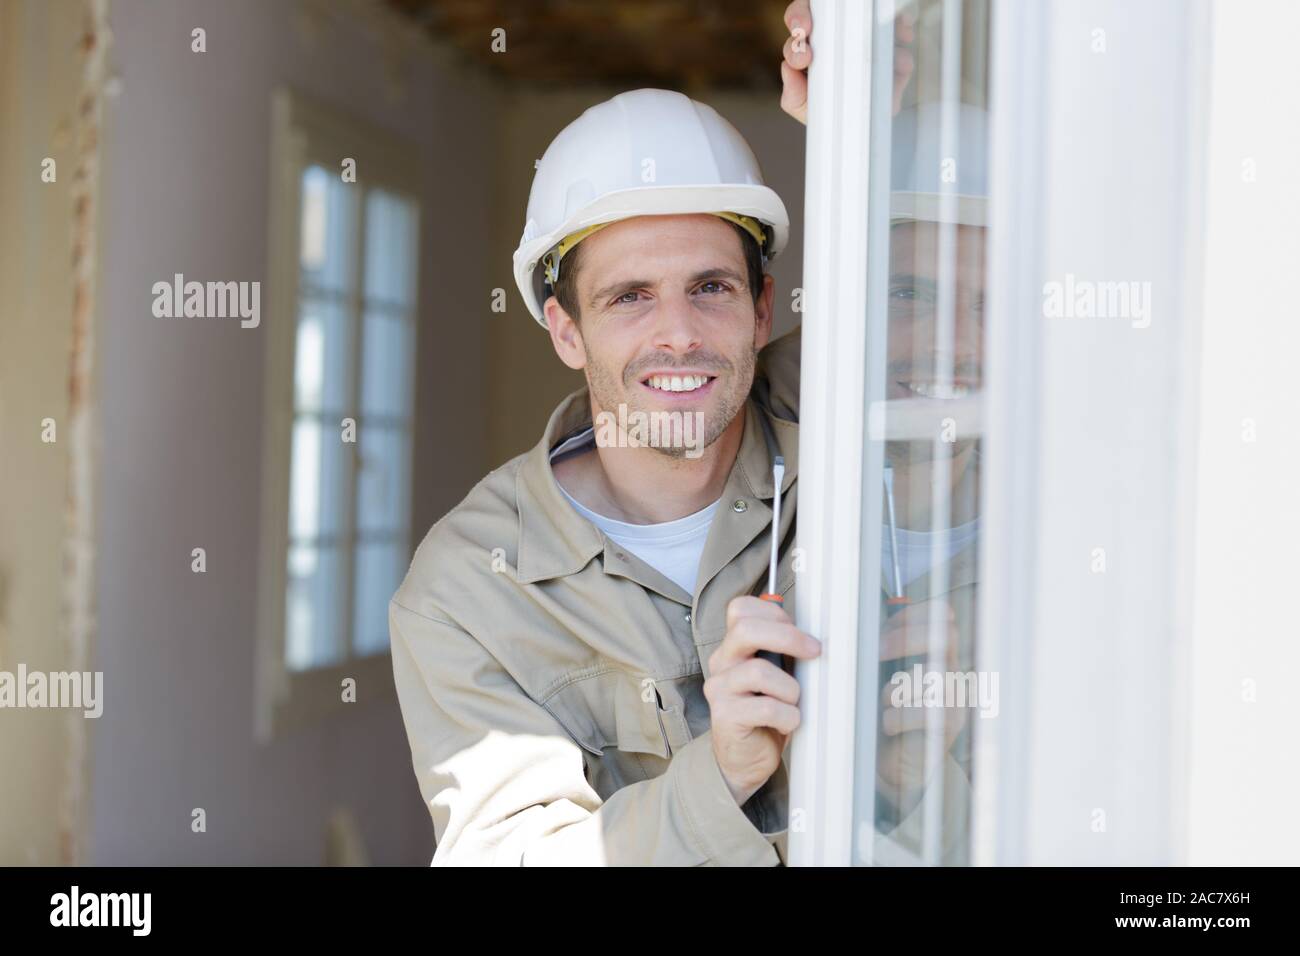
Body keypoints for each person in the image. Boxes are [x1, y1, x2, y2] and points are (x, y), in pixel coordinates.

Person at [390, 88, 816, 865]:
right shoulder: (468, 590)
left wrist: (879, 109)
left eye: (710, 287)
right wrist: (719, 777)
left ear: (762, 308)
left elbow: (947, 296)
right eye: (630, 298)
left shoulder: (842, 426)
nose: (679, 334)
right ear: (567, 331)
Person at [782, 0, 988, 864]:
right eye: (910, 294)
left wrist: (917, 782)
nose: (953, 345)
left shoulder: (1083, 529)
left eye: (991, 306)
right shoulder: (743, 487)